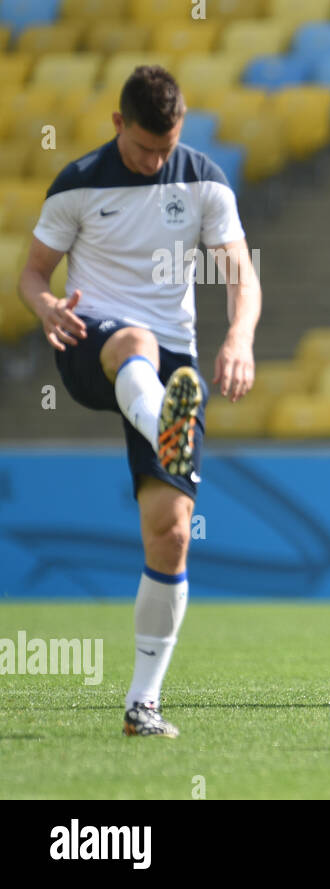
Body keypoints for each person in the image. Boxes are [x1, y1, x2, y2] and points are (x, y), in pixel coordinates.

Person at [18, 66, 261, 734]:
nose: (156, 160)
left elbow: (242, 275)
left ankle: (142, 703)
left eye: (166, 146)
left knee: (171, 530)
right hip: (90, 340)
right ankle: (166, 427)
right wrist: (44, 306)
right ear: (118, 123)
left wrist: (238, 339)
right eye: (144, 148)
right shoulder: (78, 183)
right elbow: (34, 271)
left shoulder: (203, 180)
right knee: (134, 341)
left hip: (173, 358)